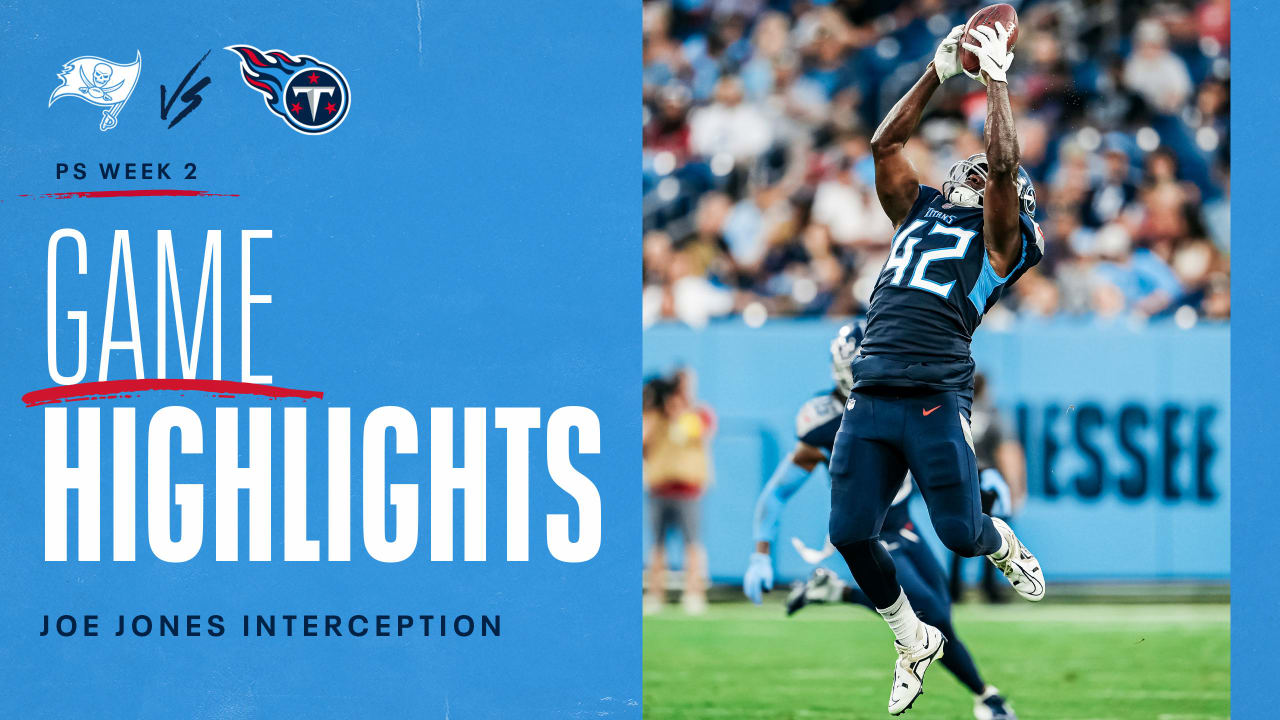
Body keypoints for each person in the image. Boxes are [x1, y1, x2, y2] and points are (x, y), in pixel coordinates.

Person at [826, 23, 1047, 715]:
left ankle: (1001, 538)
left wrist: (996, 80)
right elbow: (885, 144)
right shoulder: (918, 210)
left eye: (987, 175)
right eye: (972, 171)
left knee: (960, 533)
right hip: (872, 388)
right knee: (850, 533)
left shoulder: (1005, 240)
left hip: (933, 391)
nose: (976, 175)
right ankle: (910, 639)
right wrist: (937, 68)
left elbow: (1006, 167)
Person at [743, 324, 1017, 720]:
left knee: (942, 609)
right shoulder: (824, 422)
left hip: (904, 522)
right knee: (931, 617)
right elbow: (777, 493)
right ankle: (987, 698)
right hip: (870, 533)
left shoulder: (904, 397)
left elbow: (940, 454)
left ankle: (836, 593)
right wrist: (760, 552)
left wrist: (980, 472)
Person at [949, 372, 1027, 603]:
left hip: (961, 481)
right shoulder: (993, 415)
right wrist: (1014, 487)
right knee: (991, 533)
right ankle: (989, 588)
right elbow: (1006, 451)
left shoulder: (956, 412)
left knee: (958, 535)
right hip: (987, 480)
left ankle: (954, 588)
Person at [643, 369, 715, 615]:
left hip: (689, 489)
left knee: (692, 545)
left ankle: (694, 593)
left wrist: (679, 409)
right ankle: (655, 594)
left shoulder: (699, 413)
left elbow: (698, 431)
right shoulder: (654, 416)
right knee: (657, 545)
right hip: (659, 486)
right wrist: (652, 404)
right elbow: (642, 442)